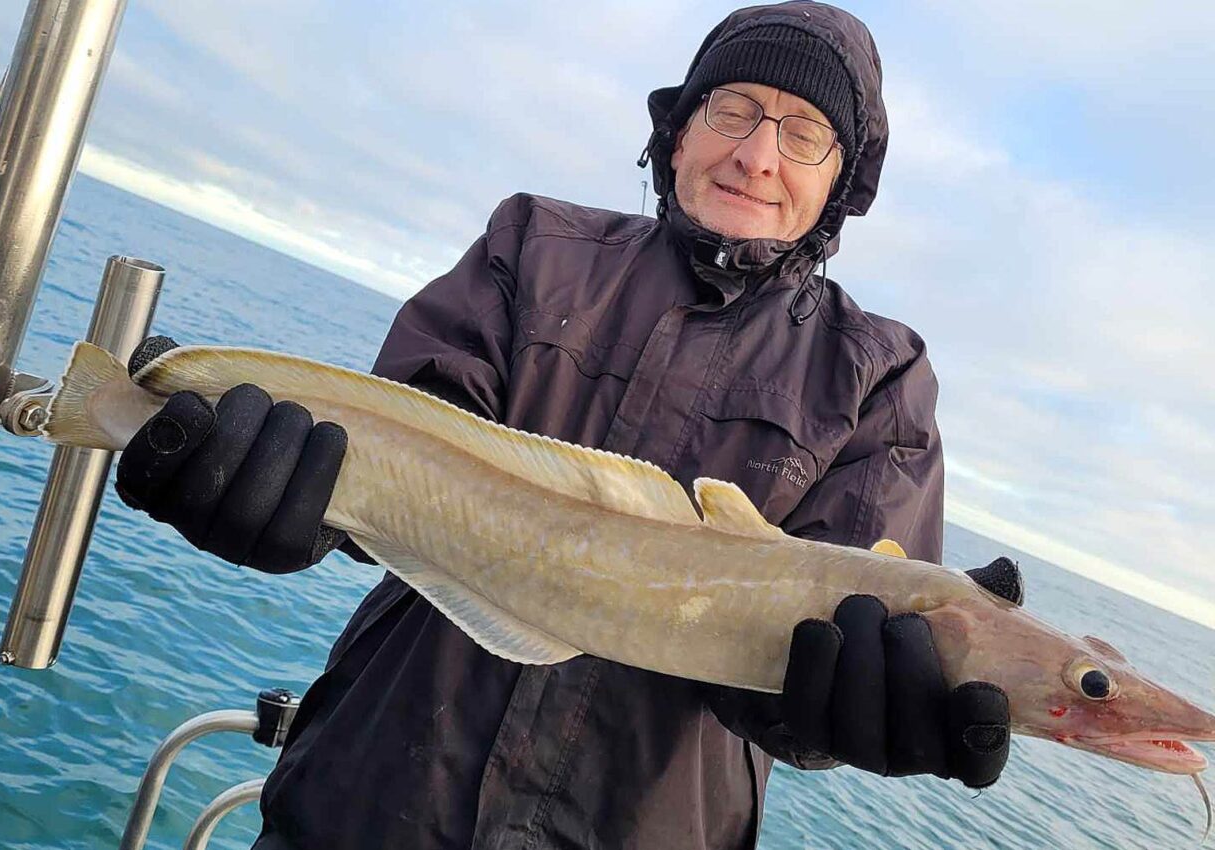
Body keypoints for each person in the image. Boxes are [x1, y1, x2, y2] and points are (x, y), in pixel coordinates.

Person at [114, 2, 1027, 848]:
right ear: (675, 137)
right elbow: (404, 458)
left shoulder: (882, 379)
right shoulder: (534, 246)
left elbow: (810, 673)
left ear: (839, 182)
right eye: (734, 110)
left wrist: (833, 713)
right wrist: (284, 497)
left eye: (804, 134)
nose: (757, 155)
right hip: (361, 801)